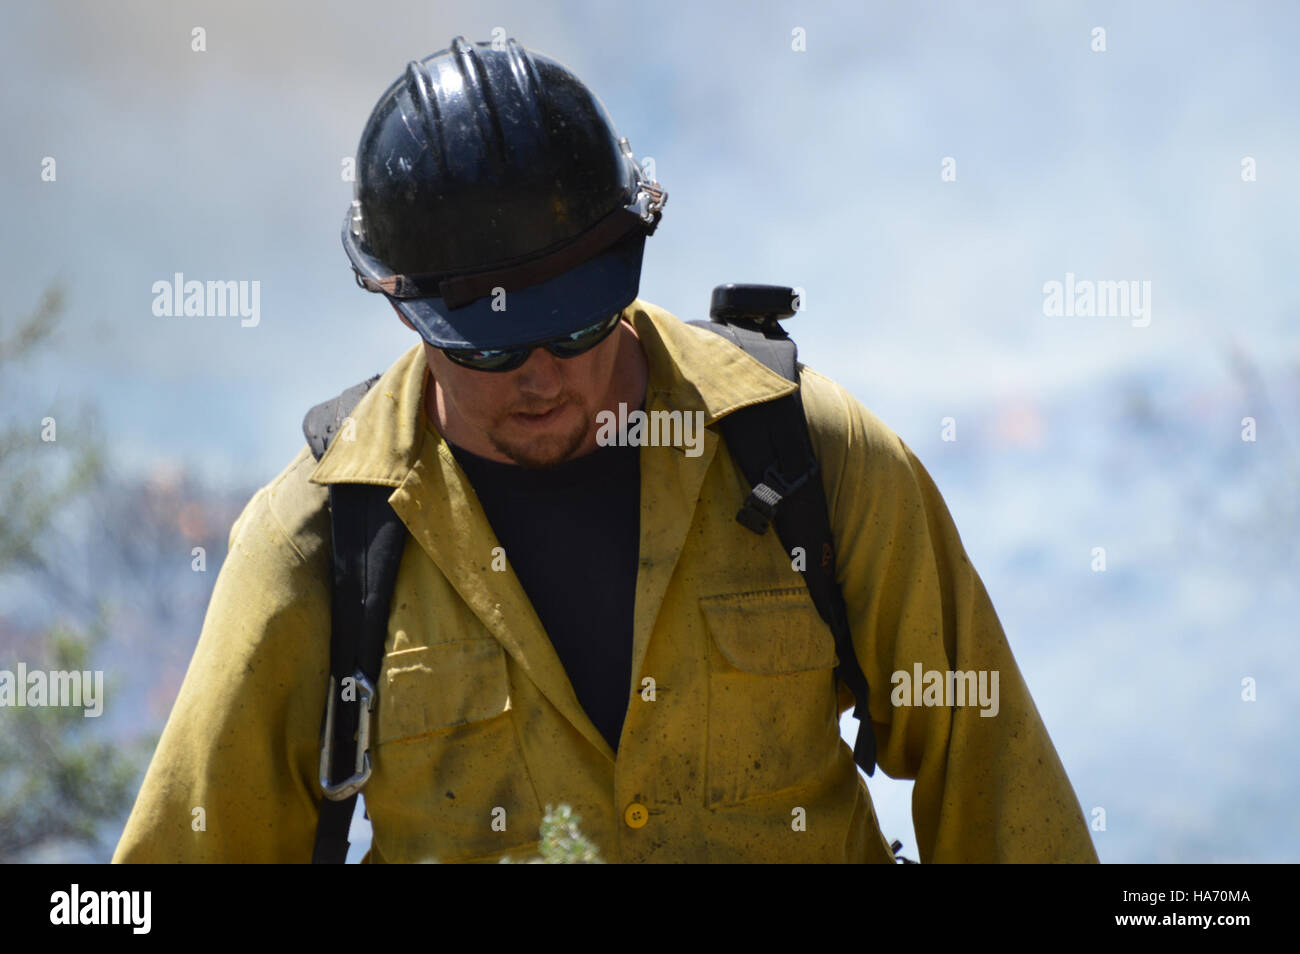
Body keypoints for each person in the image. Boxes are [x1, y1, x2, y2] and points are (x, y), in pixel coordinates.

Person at [113, 36, 1098, 864]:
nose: (542, 377)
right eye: (491, 348)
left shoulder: (808, 457)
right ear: (407, 314)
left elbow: (998, 786)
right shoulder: (320, 544)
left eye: (579, 328)